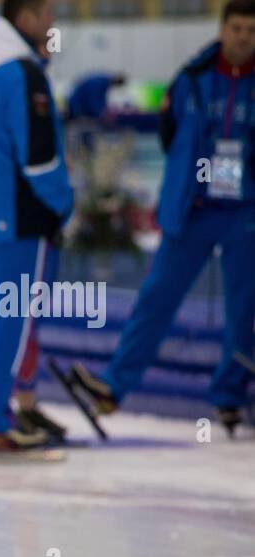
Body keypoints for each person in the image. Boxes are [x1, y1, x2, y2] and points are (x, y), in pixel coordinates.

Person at [65, 0, 255, 436]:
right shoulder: (193, 79)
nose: (244, 37)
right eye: (238, 28)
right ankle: (113, 388)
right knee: (157, 298)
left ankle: (229, 394)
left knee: (244, 308)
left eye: (251, 30)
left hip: (245, 210)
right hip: (194, 210)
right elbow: (171, 135)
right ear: (223, 29)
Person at [0, 0, 75, 454]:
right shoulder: (23, 75)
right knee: (14, 322)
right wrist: (64, 205)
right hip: (23, 219)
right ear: (24, 17)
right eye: (46, 14)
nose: (51, 23)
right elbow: (40, 158)